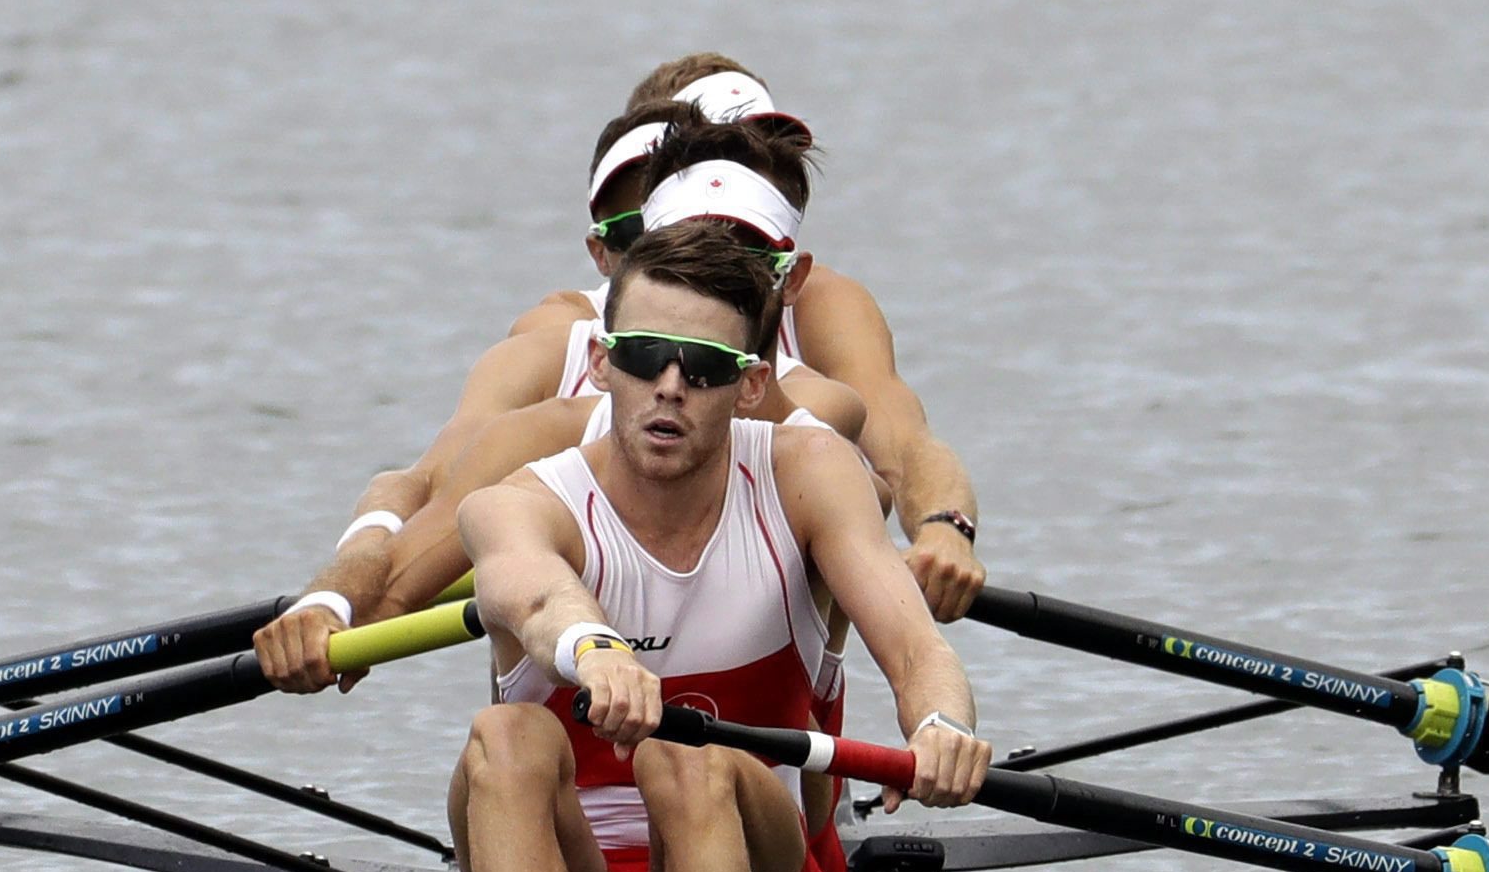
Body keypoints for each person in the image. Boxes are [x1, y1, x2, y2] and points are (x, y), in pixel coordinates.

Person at [254, 57, 983, 692]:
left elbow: (900, 437)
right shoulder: (553, 342)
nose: (722, 254)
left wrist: (944, 530)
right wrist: (338, 612)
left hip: (756, 708)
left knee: (855, 492)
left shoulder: (821, 363)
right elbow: (428, 488)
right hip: (573, 663)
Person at [447, 216, 991, 872]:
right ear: (600, 363)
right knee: (504, 736)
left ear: (748, 385)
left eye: (702, 367)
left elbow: (916, 648)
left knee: (686, 755)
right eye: (642, 356)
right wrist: (597, 650)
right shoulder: (519, 500)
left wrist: (942, 724)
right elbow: (531, 594)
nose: (668, 386)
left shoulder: (807, 475)